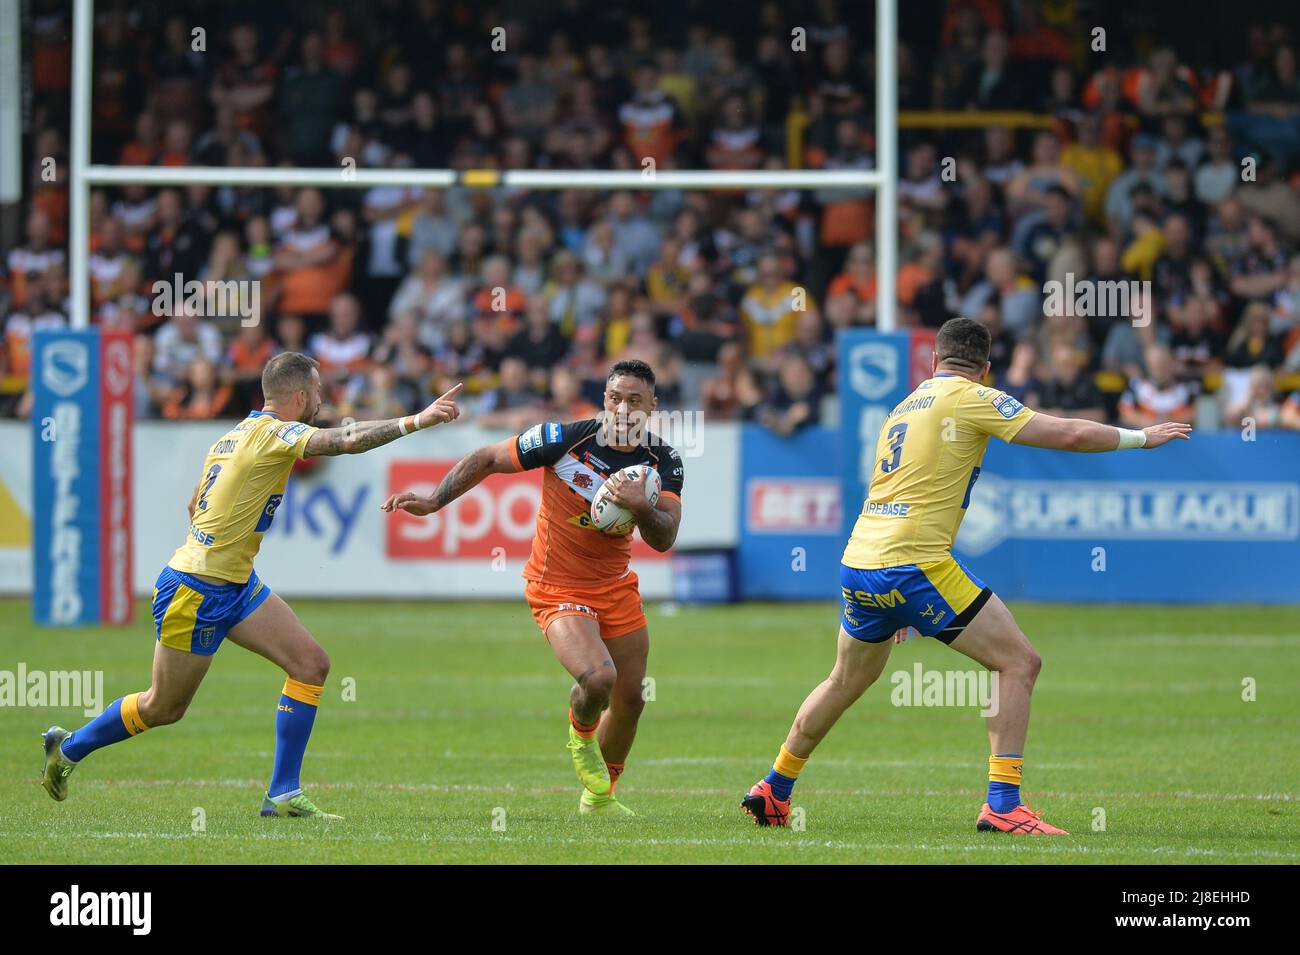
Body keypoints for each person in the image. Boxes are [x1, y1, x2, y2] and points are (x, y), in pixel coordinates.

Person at [741, 318, 1191, 834]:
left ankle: (775, 786)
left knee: (846, 679)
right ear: (985, 369)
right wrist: (1140, 437)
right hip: (914, 563)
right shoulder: (973, 396)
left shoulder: (903, 406)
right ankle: (1002, 804)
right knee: (1019, 663)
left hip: (862, 560)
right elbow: (1065, 432)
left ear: (933, 362)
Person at [40, 354, 464, 819]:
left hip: (234, 582)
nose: (322, 401)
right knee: (163, 706)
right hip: (197, 590)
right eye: (318, 393)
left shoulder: (231, 436)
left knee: (310, 664)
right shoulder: (275, 433)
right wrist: (417, 420)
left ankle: (282, 794)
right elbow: (346, 438)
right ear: (299, 397)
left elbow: (192, 504)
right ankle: (70, 747)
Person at [381, 359, 683, 817]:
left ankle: (600, 796)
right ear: (604, 400)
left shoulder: (664, 462)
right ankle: (581, 739)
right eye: (615, 398)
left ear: (652, 407)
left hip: (616, 586)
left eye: (635, 401)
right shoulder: (564, 439)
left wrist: (641, 509)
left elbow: (665, 538)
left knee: (632, 698)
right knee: (599, 680)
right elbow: (485, 458)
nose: (623, 408)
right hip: (555, 584)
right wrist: (433, 500)